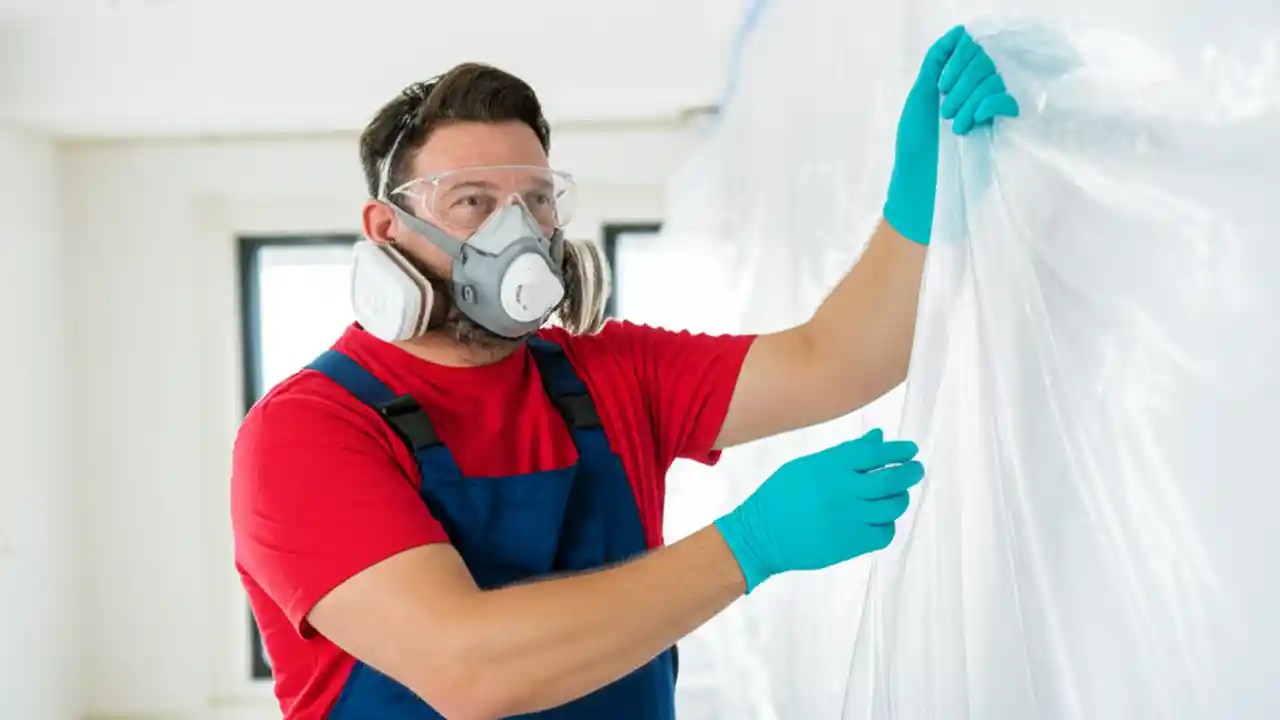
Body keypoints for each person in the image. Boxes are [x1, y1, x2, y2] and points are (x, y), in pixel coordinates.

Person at [231, 25, 1018, 720]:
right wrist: (751, 543)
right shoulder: (309, 431)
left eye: (536, 201)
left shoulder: (611, 374)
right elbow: (468, 669)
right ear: (385, 229)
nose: (518, 234)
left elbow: (837, 360)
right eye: (472, 201)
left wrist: (925, 194)